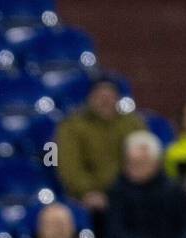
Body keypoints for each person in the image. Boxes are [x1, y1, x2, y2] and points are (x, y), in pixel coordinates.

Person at [55, 78, 146, 221]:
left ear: (118, 99)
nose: (105, 101)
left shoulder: (133, 124)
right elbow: (69, 166)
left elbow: (145, 159)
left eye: (110, 97)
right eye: (100, 97)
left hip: (131, 193)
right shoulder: (72, 127)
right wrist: (88, 191)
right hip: (89, 197)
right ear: (90, 99)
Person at [105, 130, 186, 238]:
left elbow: (184, 227)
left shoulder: (172, 190)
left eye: (142, 163)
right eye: (131, 163)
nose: (135, 168)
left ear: (156, 164)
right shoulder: (117, 190)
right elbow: (116, 232)